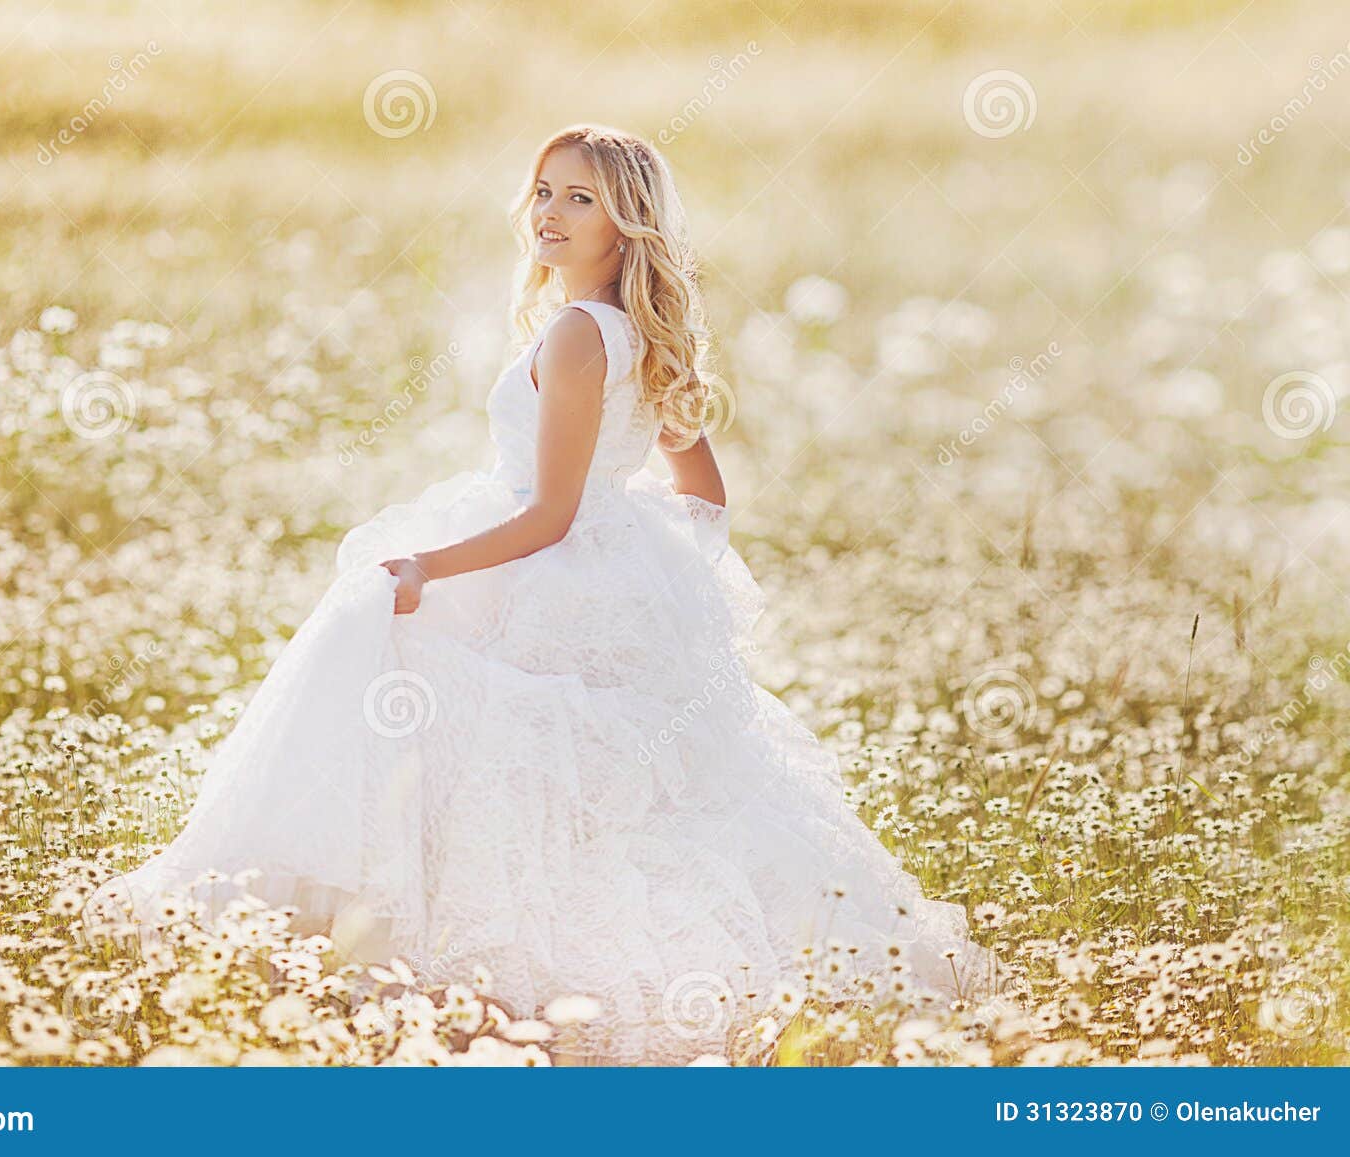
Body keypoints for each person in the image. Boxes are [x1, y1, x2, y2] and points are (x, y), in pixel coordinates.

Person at [89, 123, 1000, 1065]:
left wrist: (428, 568)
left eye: (581, 199)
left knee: (438, 717)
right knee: (598, 790)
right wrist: (634, 539)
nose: (551, 214)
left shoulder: (575, 336)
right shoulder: (642, 334)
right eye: (544, 191)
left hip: (536, 567)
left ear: (626, 224)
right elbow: (702, 497)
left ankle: (437, 962)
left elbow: (551, 516)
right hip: (590, 566)